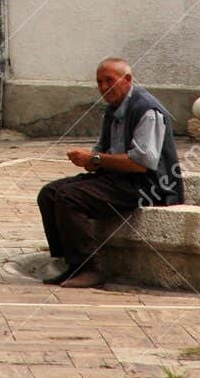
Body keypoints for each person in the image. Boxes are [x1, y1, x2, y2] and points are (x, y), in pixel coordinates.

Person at [36, 57, 184, 289]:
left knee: (69, 197)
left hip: (149, 184)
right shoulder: (112, 110)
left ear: (127, 80)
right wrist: (90, 161)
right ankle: (69, 263)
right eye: (99, 82)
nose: (103, 87)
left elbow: (141, 163)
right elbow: (103, 151)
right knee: (49, 193)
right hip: (117, 178)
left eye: (109, 81)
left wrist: (96, 159)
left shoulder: (146, 110)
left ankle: (89, 268)